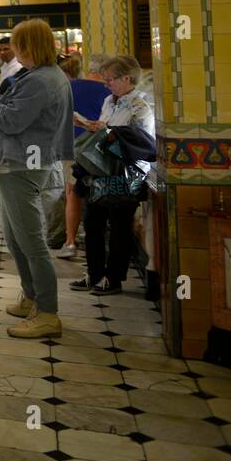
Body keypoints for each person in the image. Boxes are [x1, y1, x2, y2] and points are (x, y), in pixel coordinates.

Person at [0, 19, 73, 339]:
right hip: (21, 163)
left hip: (22, 166)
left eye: (17, 44)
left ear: (29, 47)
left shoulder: (41, 80)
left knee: (32, 242)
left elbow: (11, 121)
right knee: (16, 240)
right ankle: (32, 297)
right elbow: (23, 113)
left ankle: (48, 313)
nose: (13, 50)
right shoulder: (43, 76)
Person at [72, 55, 155, 295]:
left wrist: (106, 131)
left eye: (110, 80)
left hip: (126, 173)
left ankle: (114, 278)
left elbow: (140, 140)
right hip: (101, 169)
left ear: (127, 78)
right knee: (93, 222)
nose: (106, 84)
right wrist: (90, 125)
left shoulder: (141, 105)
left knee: (120, 225)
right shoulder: (109, 100)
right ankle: (94, 273)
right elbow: (105, 128)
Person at [53, 53, 112, 259]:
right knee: (99, 193)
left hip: (72, 145)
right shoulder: (110, 90)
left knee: (72, 193)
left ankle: (70, 242)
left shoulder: (69, 87)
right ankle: (93, 237)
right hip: (100, 147)